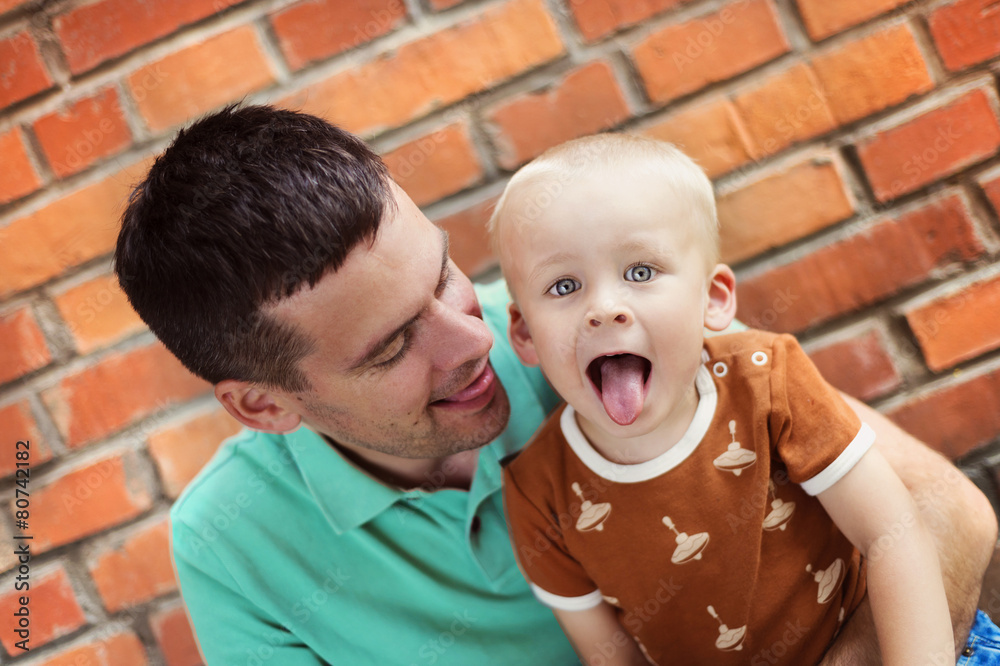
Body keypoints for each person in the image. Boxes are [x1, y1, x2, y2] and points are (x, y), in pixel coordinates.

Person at [112, 104, 996, 665]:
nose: (475, 340)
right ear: (264, 403)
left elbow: (942, 516)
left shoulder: (577, 326)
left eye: (445, 275)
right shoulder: (231, 546)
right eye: (390, 347)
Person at [489, 133, 1000, 665]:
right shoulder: (538, 493)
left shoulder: (768, 382)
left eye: (640, 272)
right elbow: (610, 657)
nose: (605, 308)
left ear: (713, 299)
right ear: (524, 333)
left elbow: (892, 534)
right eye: (564, 286)